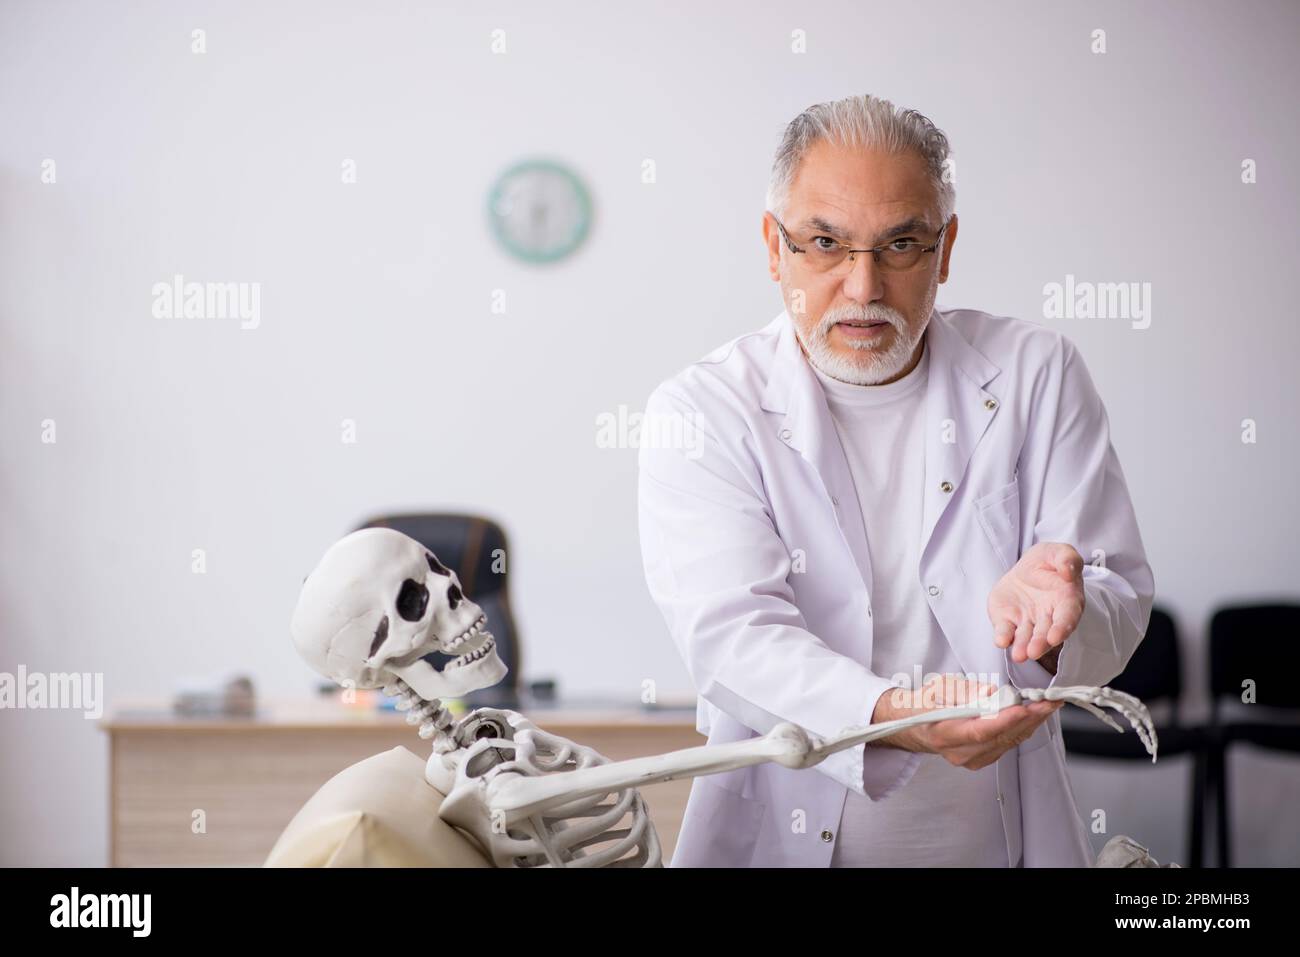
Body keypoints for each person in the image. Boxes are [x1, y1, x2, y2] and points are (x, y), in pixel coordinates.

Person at [636, 94, 1154, 867]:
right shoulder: (704, 409)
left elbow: (1118, 597)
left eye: (900, 243)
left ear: (944, 250)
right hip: (777, 837)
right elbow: (731, 636)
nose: (863, 285)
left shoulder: (1036, 374)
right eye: (825, 243)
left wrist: (1051, 632)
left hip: (998, 839)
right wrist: (890, 713)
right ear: (775, 249)